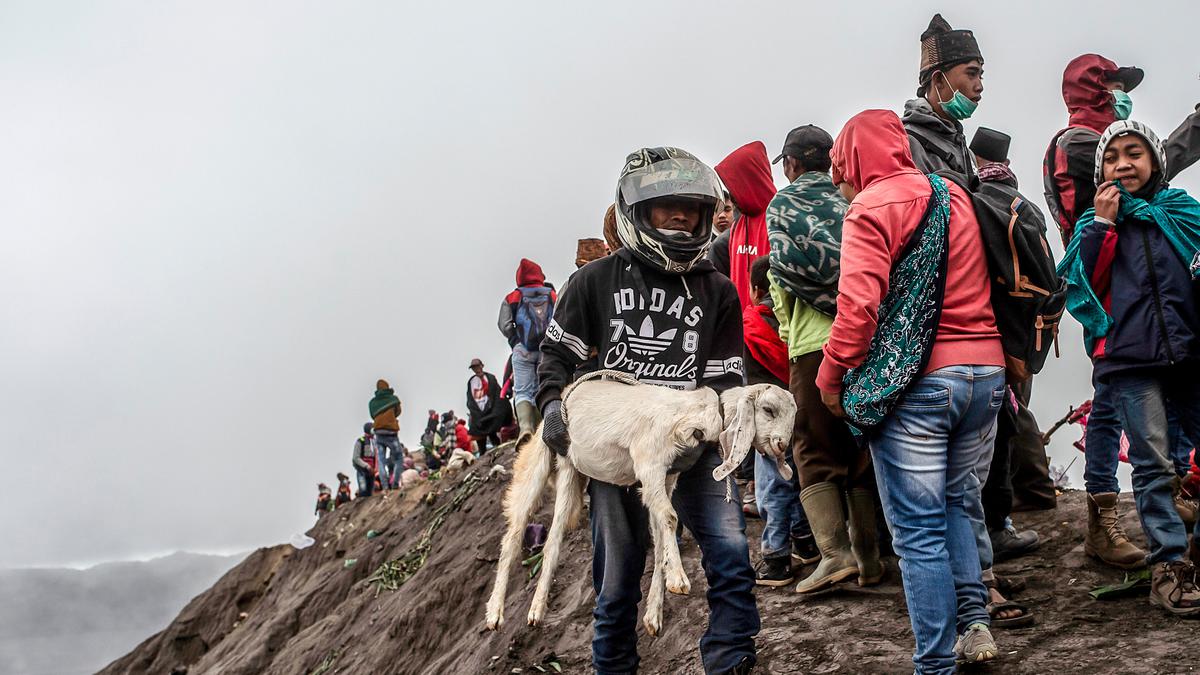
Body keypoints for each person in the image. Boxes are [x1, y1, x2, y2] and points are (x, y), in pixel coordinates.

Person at [537, 146, 758, 674]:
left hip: (696, 448)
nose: (680, 216)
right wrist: (550, 407)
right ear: (636, 212)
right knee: (616, 581)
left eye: (691, 207)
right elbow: (556, 355)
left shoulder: (718, 290)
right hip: (619, 451)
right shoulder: (593, 282)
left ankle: (731, 657)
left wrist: (717, 436)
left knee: (731, 555)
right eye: (666, 206)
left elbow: (727, 378)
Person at [819, 110, 1006, 669]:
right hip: (986, 375)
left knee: (918, 533)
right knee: (958, 503)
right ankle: (975, 623)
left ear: (853, 160)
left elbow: (858, 311)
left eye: (839, 167)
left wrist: (831, 377)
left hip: (920, 387)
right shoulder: (953, 194)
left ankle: (935, 663)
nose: (838, 180)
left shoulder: (871, 207)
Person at [1043, 53, 1200, 568]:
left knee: (1157, 429)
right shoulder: (1080, 144)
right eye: (1114, 85)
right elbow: (1089, 245)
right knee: (1116, 420)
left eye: (1135, 153)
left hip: (1170, 333)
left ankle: (1173, 502)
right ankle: (1107, 521)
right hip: (1122, 321)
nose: (1122, 95)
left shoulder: (1176, 211)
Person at [765, 123, 882, 595]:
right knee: (861, 448)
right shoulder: (853, 201)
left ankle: (834, 554)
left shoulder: (783, 206)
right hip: (865, 339)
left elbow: (779, 278)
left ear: (792, 164)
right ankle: (870, 558)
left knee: (813, 447)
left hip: (813, 349)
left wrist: (788, 329)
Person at [965, 127, 1042, 629]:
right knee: (1004, 431)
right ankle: (1001, 526)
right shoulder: (1018, 202)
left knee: (982, 449)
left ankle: (991, 537)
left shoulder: (973, 201)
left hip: (980, 337)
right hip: (1018, 340)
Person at [743, 256, 816, 588]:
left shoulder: (748, 326)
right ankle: (805, 541)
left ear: (757, 291)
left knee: (771, 487)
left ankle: (776, 558)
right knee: (798, 478)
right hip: (802, 409)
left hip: (769, 419)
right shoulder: (798, 321)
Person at [902, 13, 982, 175]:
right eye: (971, 74)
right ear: (938, 79)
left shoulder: (966, 153)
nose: (979, 86)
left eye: (981, 76)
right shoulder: (907, 143)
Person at [709, 141, 777, 309]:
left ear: (749, 182)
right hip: (740, 319)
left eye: (735, 187)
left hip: (770, 321)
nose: (732, 196)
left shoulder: (777, 219)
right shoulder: (739, 225)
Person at [499, 260, 557, 435]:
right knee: (543, 387)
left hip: (522, 349)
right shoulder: (551, 294)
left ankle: (525, 429)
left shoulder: (513, 297)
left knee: (523, 390)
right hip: (547, 349)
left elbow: (504, 325)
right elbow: (560, 318)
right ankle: (541, 431)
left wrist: (515, 340)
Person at [368, 379, 402, 492]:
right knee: (398, 458)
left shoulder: (372, 403)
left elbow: (373, 415)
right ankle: (395, 484)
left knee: (381, 461)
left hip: (378, 433)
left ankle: (385, 486)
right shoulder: (393, 399)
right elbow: (398, 412)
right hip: (391, 433)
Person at [466, 360, 506, 452]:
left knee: (493, 434)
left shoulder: (491, 378)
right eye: (474, 368)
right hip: (478, 414)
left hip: (490, 411)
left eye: (477, 366)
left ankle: (498, 450)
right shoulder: (471, 382)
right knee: (480, 438)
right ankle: (482, 453)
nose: (476, 369)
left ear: (482, 366)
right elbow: (470, 399)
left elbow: (497, 394)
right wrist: (475, 412)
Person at [352, 423, 376, 498]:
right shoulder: (360, 441)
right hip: (362, 470)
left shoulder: (374, 442)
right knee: (363, 490)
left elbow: (377, 456)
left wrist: (376, 468)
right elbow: (356, 458)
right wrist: (367, 466)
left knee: (370, 492)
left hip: (372, 472)